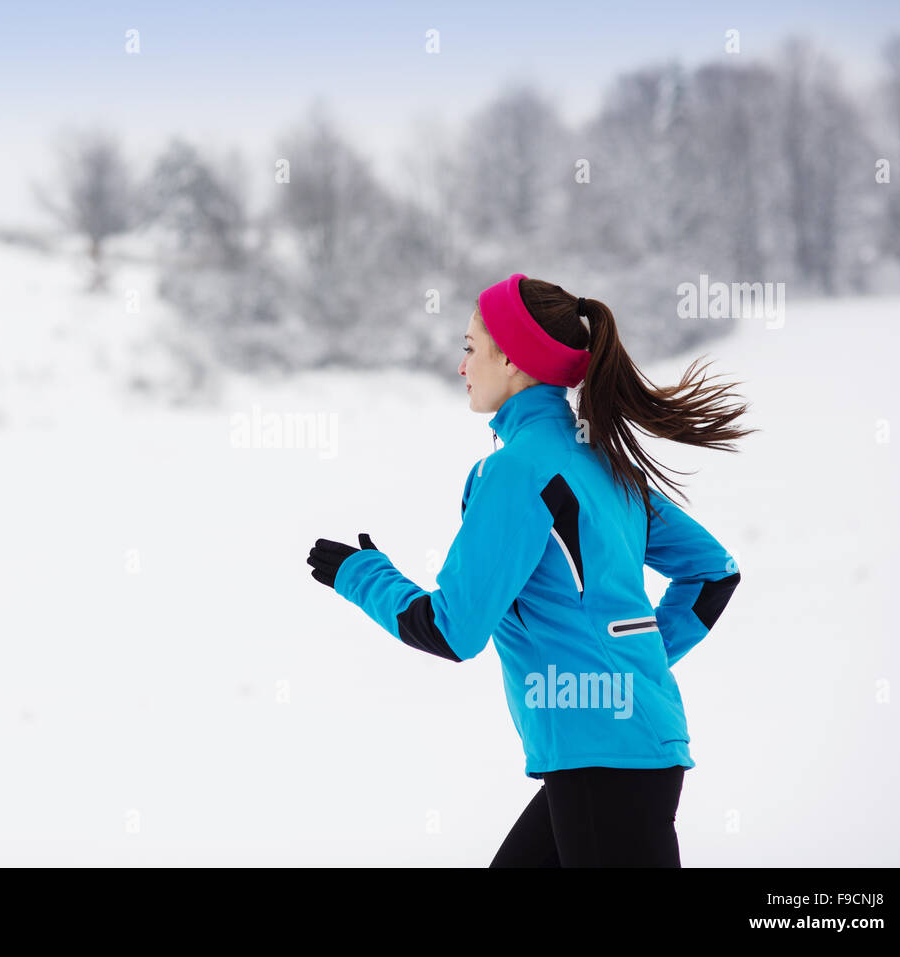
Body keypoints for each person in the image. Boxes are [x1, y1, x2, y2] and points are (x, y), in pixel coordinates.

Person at [307, 273, 756, 867]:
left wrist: (361, 575)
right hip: (617, 751)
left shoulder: (517, 472)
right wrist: (626, 665)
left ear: (513, 359)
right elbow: (713, 571)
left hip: (604, 759)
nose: (461, 364)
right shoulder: (597, 459)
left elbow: (452, 630)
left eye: (470, 346)